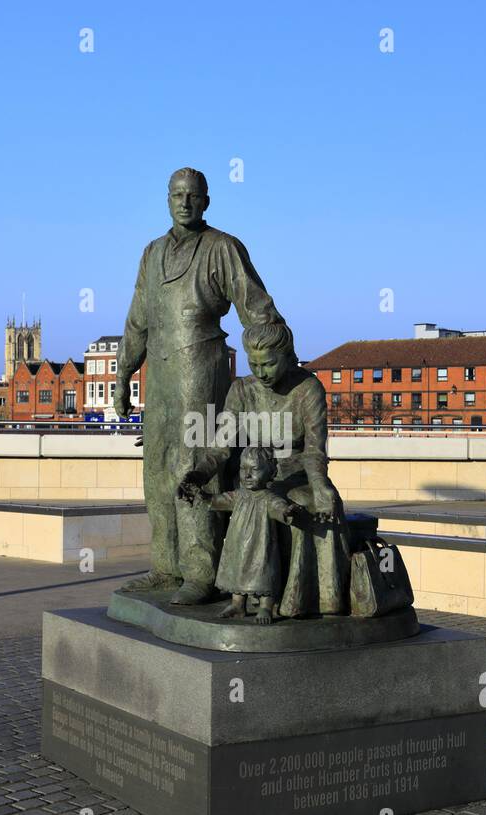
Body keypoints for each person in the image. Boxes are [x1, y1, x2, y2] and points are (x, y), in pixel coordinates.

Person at [115, 167, 288, 605]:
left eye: (193, 195)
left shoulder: (222, 248)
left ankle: (201, 572)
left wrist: (279, 364)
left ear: (206, 201)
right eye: (177, 195)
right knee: (156, 472)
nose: (185, 202)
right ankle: (165, 566)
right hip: (162, 380)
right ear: (166, 199)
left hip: (202, 370)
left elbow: (257, 308)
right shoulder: (151, 254)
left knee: (193, 467)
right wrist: (122, 374)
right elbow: (139, 321)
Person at [178, 324, 351, 618]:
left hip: (297, 472)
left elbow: (314, 449)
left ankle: (314, 600)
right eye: (254, 364)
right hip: (256, 475)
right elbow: (221, 447)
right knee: (260, 503)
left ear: (287, 356)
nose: (261, 372)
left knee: (312, 502)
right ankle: (249, 593)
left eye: (269, 363)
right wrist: (198, 475)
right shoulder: (242, 390)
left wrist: (320, 485)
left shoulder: (308, 389)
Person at [204, 446, 301, 624]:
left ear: (271, 473)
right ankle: (237, 605)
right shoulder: (238, 495)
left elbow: (280, 508)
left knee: (263, 572)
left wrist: (288, 511)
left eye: (254, 470)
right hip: (237, 545)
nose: (247, 475)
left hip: (260, 546)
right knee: (236, 571)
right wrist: (201, 496)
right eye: (243, 469)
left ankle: (266, 606)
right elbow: (219, 500)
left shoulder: (269, 498)